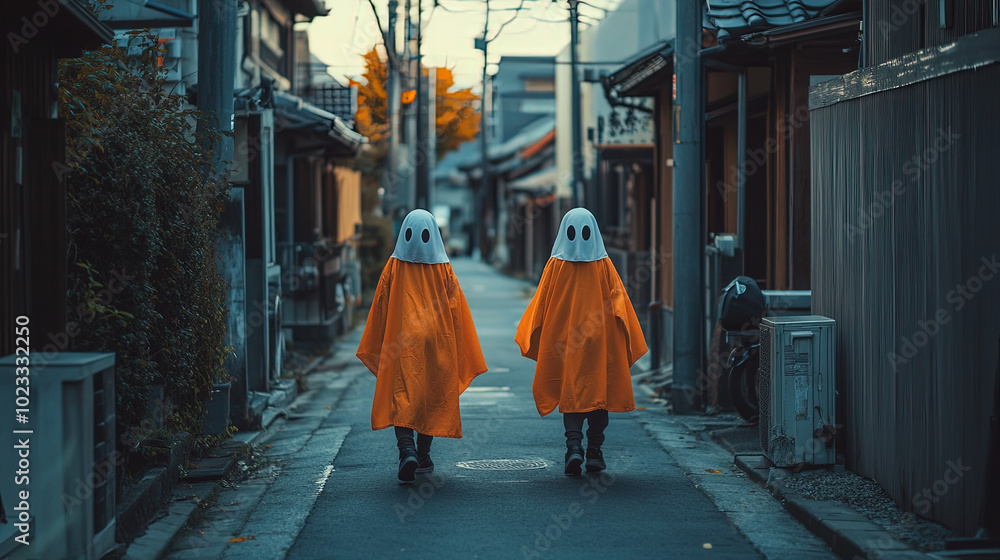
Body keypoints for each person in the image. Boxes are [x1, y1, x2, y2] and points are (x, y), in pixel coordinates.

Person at [357, 209, 488, 481]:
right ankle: (424, 453)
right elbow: (456, 308)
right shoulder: (443, 267)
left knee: (403, 395)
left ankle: (407, 450)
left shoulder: (393, 267)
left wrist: (379, 341)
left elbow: (381, 306)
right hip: (436, 342)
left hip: (401, 343)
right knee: (429, 396)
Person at [515, 208, 647, 475]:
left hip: (565, 343)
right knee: (599, 396)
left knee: (572, 394)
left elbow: (541, 304)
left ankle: (573, 447)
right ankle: (595, 451)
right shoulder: (604, 265)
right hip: (601, 344)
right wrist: (631, 340)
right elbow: (622, 306)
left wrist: (530, 332)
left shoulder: (555, 265)